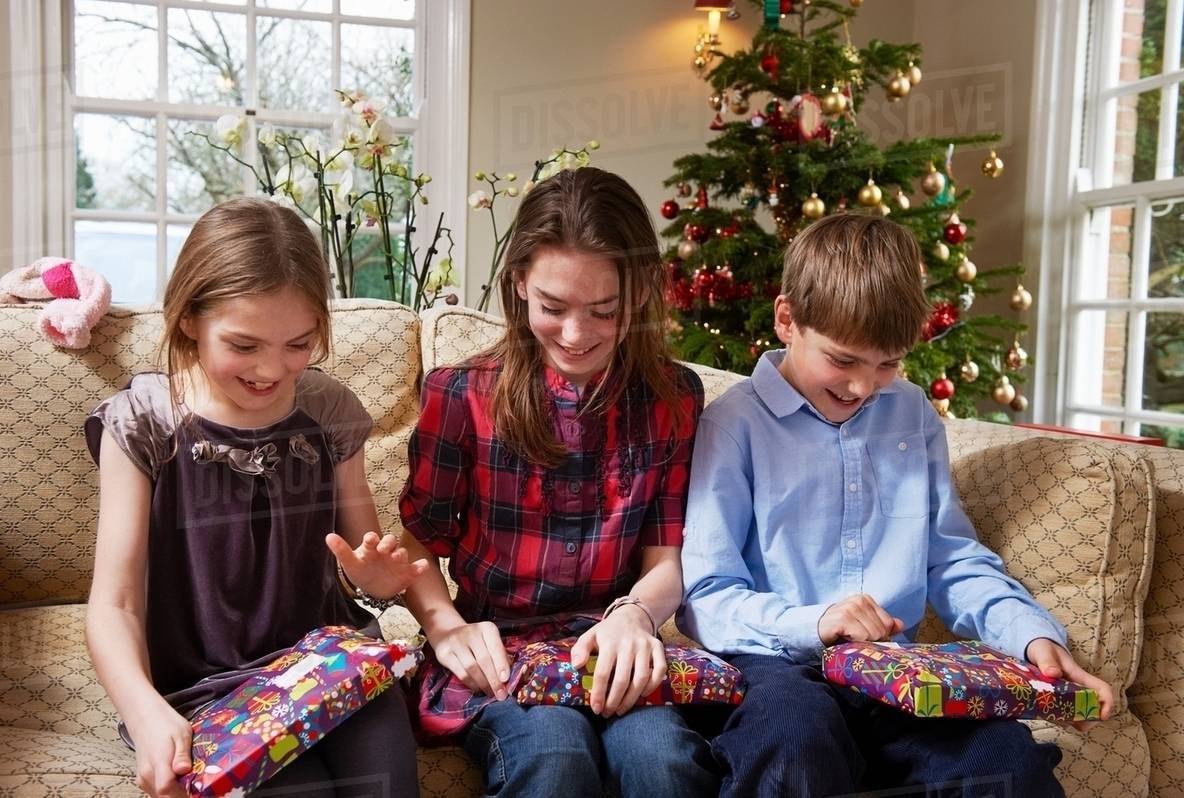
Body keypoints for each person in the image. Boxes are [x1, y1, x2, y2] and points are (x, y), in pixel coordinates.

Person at [677, 212, 1114, 798]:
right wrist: (817, 621)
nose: (863, 386)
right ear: (787, 319)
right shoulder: (732, 427)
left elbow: (950, 559)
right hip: (775, 668)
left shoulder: (911, 413)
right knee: (796, 734)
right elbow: (705, 599)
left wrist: (1032, 638)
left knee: (1006, 754)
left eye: (887, 363)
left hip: (894, 674)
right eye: (842, 360)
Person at [84, 197, 426, 798]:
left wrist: (375, 580)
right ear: (189, 318)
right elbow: (114, 604)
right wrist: (143, 711)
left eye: (298, 344)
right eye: (244, 345)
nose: (273, 370)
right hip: (202, 687)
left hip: (329, 665)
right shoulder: (143, 424)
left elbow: (364, 560)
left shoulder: (328, 411)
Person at [398, 166, 718, 797]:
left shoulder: (674, 397)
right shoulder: (461, 394)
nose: (576, 335)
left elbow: (666, 559)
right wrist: (444, 627)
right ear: (518, 284)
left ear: (643, 291)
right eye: (552, 307)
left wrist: (634, 618)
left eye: (605, 310)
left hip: (616, 643)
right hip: (501, 651)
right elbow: (416, 543)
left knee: (666, 765)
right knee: (554, 758)